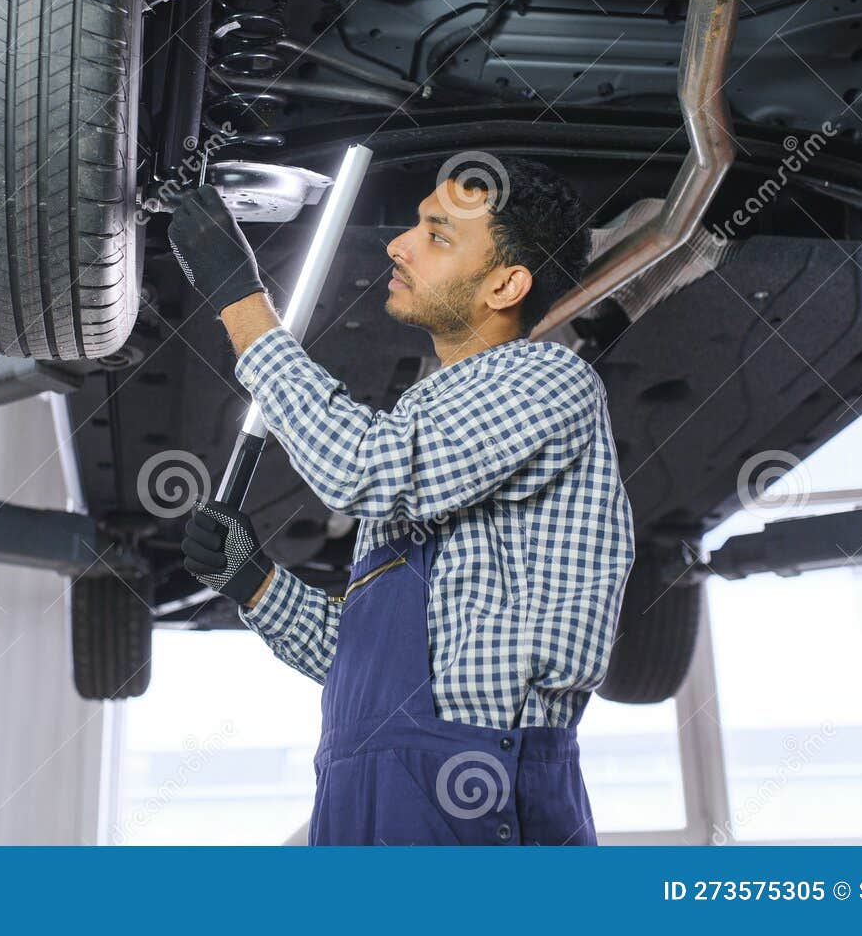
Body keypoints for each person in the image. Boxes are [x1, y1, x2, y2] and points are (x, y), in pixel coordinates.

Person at [165, 155, 635, 845]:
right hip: (363, 786)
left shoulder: (550, 379)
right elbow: (367, 665)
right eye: (416, 225)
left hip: (471, 784)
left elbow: (361, 466)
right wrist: (257, 583)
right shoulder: (424, 424)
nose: (398, 243)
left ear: (506, 284)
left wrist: (241, 297)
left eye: (438, 236)